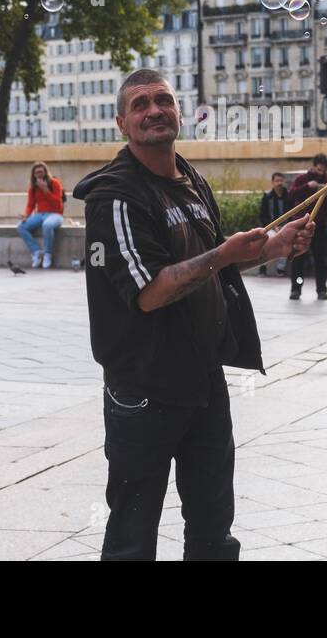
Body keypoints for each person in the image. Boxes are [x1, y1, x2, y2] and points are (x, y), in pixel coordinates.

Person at [71, 68, 313, 561]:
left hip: (202, 378)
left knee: (213, 525)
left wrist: (273, 249)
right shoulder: (115, 195)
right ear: (121, 123)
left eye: (163, 100)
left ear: (179, 112)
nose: (154, 110)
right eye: (139, 105)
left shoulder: (190, 179)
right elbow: (150, 292)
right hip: (144, 387)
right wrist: (222, 255)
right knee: (132, 533)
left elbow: (210, 266)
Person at [287, 154, 327, 301]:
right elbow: (291, 196)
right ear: (315, 165)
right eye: (319, 167)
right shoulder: (301, 179)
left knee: (320, 260)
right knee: (298, 259)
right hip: (301, 225)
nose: (321, 170)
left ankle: (321, 290)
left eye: (324, 168)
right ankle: (296, 288)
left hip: (320, 226)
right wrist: (307, 187)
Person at [16, 161, 65, 269]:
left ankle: (48, 254)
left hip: (55, 214)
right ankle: (36, 252)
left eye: (41, 172)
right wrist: (26, 215)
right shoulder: (33, 188)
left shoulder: (55, 183)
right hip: (40, 214)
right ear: (33, 175)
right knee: (21, 226)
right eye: (37, 173)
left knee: (47, 225)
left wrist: (46, 190)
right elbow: (30, 205)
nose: (39, 174)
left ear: (45, 172)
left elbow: (58, 203)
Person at [256, 172, 290, 277]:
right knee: (266, 239)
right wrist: (273, 226)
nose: (279, 183)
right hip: (270, 227)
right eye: (277, 181)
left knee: (286, 239)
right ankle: (262, 267)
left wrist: (283, 226)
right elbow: (262, 216)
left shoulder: (288, 196)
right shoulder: (267, 196)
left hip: (285, 227)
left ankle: (280, 268)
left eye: (281, 181)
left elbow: (292, 214)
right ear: (272, 182)